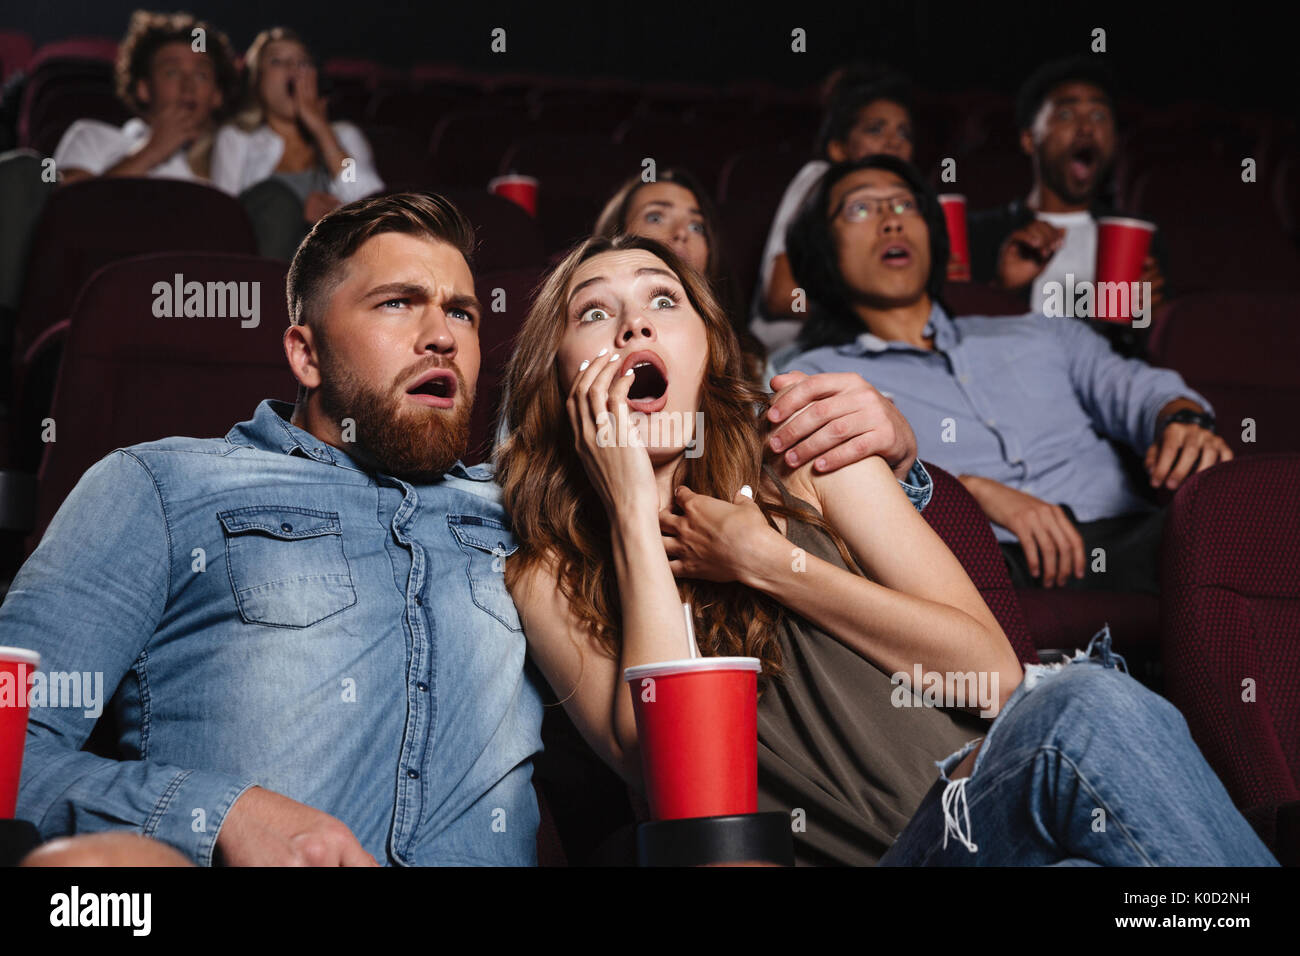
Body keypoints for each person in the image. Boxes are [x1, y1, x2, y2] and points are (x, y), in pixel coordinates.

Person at [494, 231, 1276, 866]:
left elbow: (993, 676)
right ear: (555, 373)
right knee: (1092, 701)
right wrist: (633, 504)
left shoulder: (810, 456)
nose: (635, 324)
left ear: (707, 345)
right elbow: (661, 779)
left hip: (999, 822)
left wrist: (772, 564)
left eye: (664, 299)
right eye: (593, 313)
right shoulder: (548, 571)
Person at [3, 192, 538, 866]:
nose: (443, 335)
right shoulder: (161, 484)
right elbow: (11, 747)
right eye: (398, 302)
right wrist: (215, 816)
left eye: (461, 311)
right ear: (305, 355)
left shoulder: (518, 511)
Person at [780, 155, 1232, 594]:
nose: (891, 221)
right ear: (823, 248)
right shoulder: (818, 374)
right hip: (978, 570)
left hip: (1130, 542)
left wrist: (1181, 419)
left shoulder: (1039, 330)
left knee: (1243, 521)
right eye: (861, 208)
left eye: (904, 205)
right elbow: (826, 500)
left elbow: (1135, 388)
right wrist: (967, 493)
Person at [966, 56, 1168, 357]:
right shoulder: (981, 234)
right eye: (1065, 114)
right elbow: (955, 343)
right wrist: (1000, 292)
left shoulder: (1141, 239)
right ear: (1028, 140)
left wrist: (1146, 320)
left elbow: (1154, 359)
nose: (1086, 128)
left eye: (1099, 116)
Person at [752, 64, 915, 360]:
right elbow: (781, 295)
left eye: (904, 132)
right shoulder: (819, 181)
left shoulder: (908, 205)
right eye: (875, 129)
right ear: (839, 148)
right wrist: (865, 312)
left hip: (866, 342)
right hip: (793, 345)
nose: (894, 141)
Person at [212, 27, 383, 260]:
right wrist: (296, 215)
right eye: (277, 61)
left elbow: (369, 199)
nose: (293, 69)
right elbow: (225, 222)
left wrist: (321, 129)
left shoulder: (343, 136)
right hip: (265, 270)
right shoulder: (236, 138)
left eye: (302, 62)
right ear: (257, 81)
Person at [594, 167, 764, 380]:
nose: (681, 232)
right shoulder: (590, 345)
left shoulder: (750, 364)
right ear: (617, 235)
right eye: (655, 218)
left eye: (697, 227)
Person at [52, 10, 239, 184]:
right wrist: (152, 151)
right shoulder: (91, 137)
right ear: (144, 89)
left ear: (217, 94)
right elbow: (68, 209)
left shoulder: (237, 155)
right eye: (172, 72)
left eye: (201, 75)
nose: (188, 87)